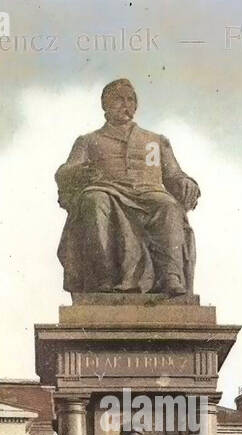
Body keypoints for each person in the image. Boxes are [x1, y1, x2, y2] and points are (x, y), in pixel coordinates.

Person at [55, 77, 200, 295]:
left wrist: (187, 183)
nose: (126, 105)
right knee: (94, 200)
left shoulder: (155, 140)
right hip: (107, 190)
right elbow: (65, 172)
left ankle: (170, 276)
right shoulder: (88, 141)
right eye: (119, 99)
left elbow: (174, 175)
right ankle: (101, 277)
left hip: (149, 193)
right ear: (105, 105)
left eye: (131, 100)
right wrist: (78, 173)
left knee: (169, 206)